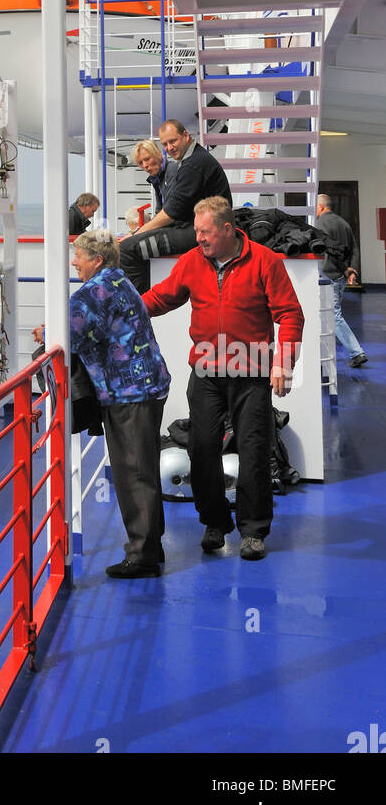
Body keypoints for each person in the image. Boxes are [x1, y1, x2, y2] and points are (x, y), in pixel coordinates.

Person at [142, 196, 304, 561]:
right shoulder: (191, 262)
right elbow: (161, 298)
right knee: (201, 448)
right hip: (206, 373)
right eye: (197, 232)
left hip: (251, 373)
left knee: (254, 450)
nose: (198, 238)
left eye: (205, 232)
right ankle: (214, 522)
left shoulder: (265, 261)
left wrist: (284, 362)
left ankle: (253, 530)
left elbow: (291, 315)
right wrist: (122, 308)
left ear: (228, 229)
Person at [34, 230, 171, 578]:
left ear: (96, 260)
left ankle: (143, 556)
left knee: (133, 474)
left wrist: (44, 334)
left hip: (130, 392)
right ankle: (151, 545)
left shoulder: (95, 291)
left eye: (78, 255)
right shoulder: (118, 281)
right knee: (143, 468)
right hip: (146, 385)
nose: (73, 261)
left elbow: (68, 331)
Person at [120, 120, 232, 294]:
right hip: (200, 227)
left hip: (203, 231)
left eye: (173, 141)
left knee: (127, 249)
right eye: (165, 144)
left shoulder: (192, 165)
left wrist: (136, 233)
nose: (170, 147)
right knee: (132, 245)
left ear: (186, 135)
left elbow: (171, 212)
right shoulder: (189, 161)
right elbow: (169, 210)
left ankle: (139, 311)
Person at [316, 194, 367, 369]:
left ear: (321, 207)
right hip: (340, 277)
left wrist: (345, 268)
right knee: (332, 315)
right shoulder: (344, 224)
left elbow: (330, 251)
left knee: (332, 317)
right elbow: (354, 249)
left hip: (329, 275)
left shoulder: (320, 224)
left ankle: (356, 352)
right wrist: (352, 271)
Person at [132, 138, 170, 212]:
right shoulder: (156, 179)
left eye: (147, 159)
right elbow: (159, 210)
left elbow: (172, 210)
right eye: (140, 163)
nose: (145, 165)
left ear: (158, 154)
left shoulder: (172, 171)